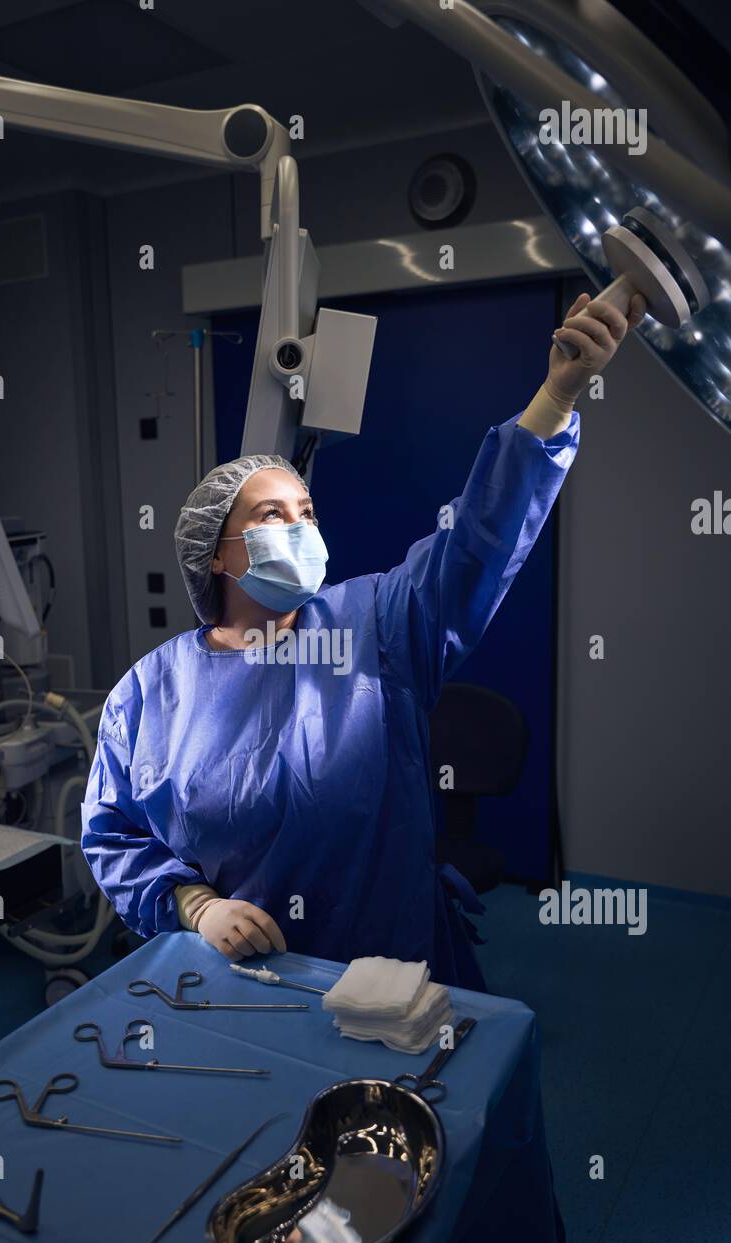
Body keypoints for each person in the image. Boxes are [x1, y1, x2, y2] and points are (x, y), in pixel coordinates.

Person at [81, 291, 643, 987]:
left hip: (390, 970)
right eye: (271, 515)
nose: (300, 529)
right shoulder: (148, 693)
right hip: (233, 978)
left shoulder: (378, 624)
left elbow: (476, 544)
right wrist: (196, 905)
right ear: (216, 557)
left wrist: (555, 396)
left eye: (307, 512)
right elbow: (115, 833)